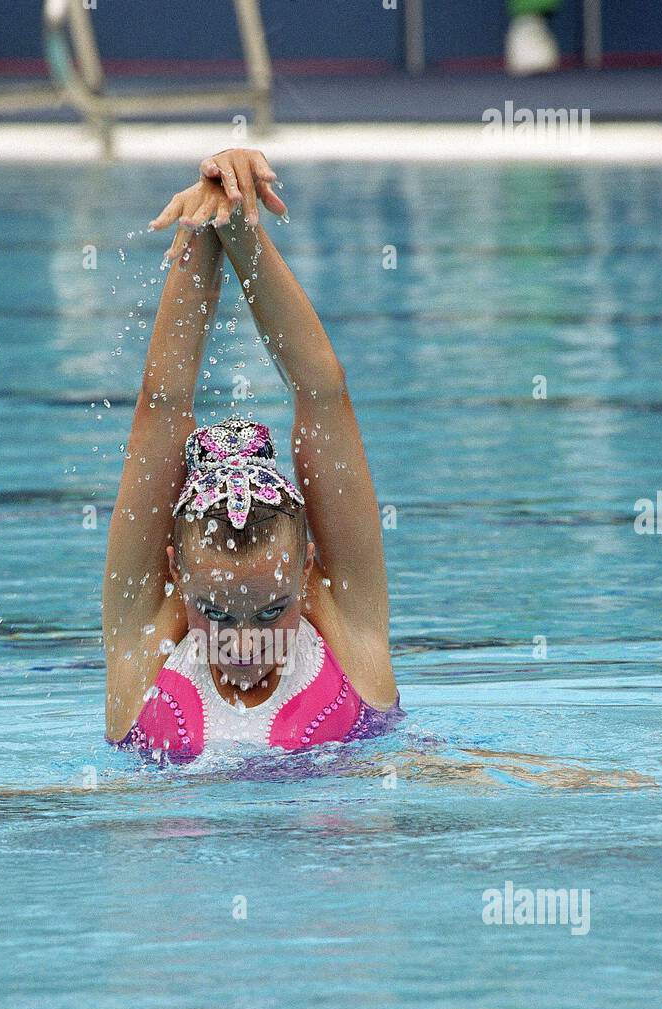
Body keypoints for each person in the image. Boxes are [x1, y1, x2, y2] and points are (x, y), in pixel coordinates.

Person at [103, 147, 401, 761]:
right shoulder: (143, 644)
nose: (242, 645)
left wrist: (238, 228)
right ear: (175, 573)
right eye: (213, 612)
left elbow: (322, 395)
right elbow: (162, 403)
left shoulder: (345, 626)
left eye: (270, 614)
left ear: (306, 571)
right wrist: (208, 225)